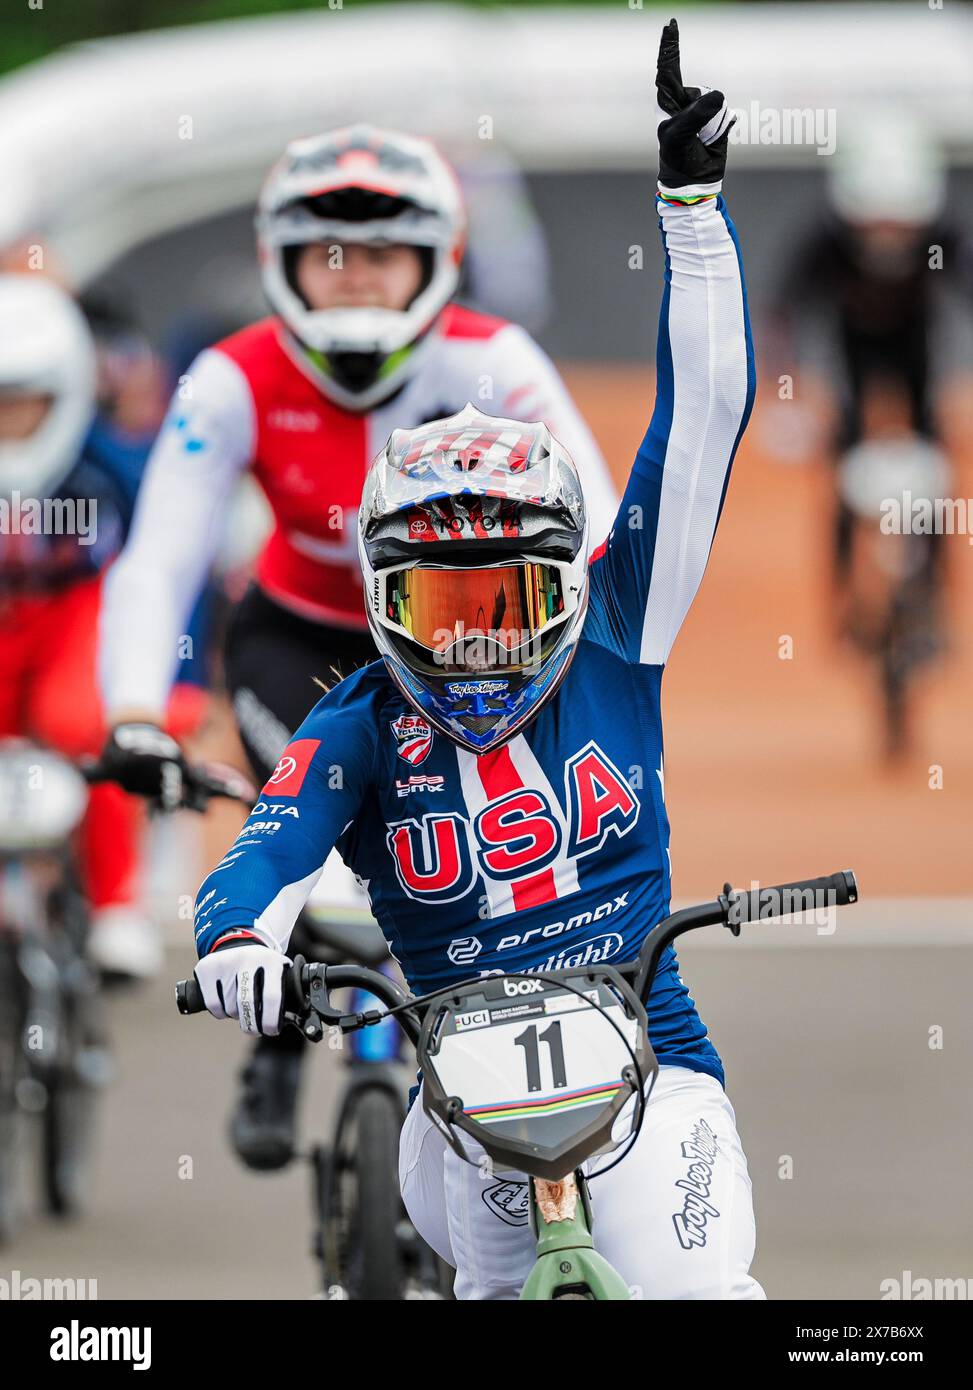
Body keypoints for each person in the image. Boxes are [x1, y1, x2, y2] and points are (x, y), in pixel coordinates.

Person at [186, 23, 762, 1300]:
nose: (478, 635)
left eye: (505, 593)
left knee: (695, 1293)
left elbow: (704, 418)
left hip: (650, 1061)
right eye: (441, 603)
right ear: (381, 604)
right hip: (457, 1098)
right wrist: (237, 935)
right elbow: (262, 850)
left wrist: (692, 213)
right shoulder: (355, 719)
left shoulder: (622, 630)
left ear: (566, 582)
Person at [97, 123, 617, 1169]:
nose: (353, 275)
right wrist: (137, 712)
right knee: (315, 839)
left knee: (455, 858)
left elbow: (595, 529)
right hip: (300, 648)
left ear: (437, 258)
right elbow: (158, 557)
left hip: (469, 649)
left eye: (379, 251)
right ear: (278, 263)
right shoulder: (230, 377)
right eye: (327, 252)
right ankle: (280, 1030)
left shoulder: (494, 358)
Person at [0, 274, 198, 979]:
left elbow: (170, 567)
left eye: (27, 405)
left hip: (77, 615)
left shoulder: (112, 470)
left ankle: (117, 904)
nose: (12, 422)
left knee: (85, 721)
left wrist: (184, 676)